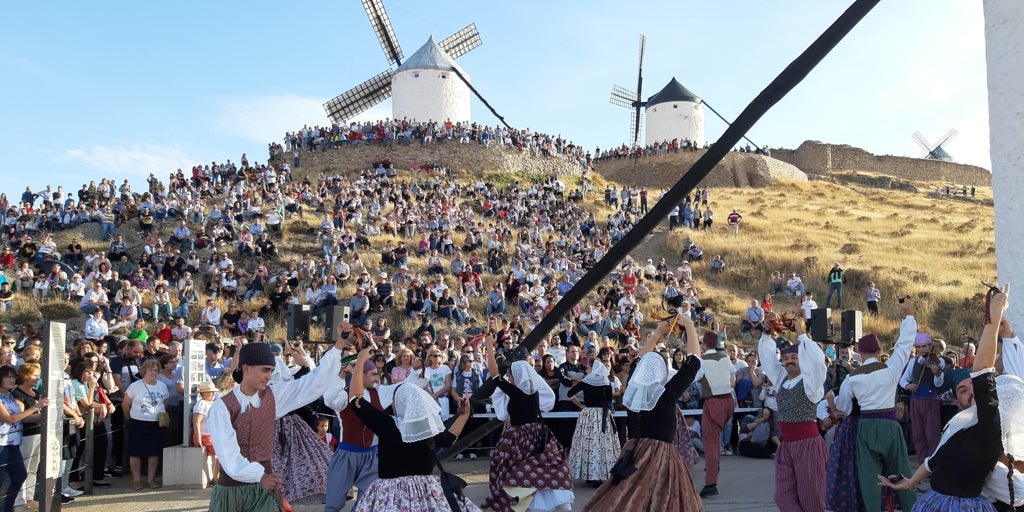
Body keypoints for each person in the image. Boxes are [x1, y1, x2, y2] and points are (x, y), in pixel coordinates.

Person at [879, 285, 1007, 511]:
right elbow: (931, 462)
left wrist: (994, 318)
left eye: (974, 387)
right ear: (957, 402)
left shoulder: (989, 426)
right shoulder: (955, 427)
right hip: (933, 501)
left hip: (965, 506)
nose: (971, 392)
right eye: (963, 390)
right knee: (921, 437)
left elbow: (983, 368)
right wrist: (909, 482)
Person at [206, 329, 348, 512]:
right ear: (246, 368)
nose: (269, 376)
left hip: (264, 492)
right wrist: (260, 476)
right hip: (231, 494)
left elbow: (311, 384)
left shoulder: (272, 397)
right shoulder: (222, 407)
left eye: (272, 370)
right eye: (265, 370)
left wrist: (338, 346)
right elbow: (228, 455)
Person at [585, 312, 703, 512]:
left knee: (626, 498)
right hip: (660, 458)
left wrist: (657, 334)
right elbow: (694, 364)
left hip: (634, 451)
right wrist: (689, 325)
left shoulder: (633, 392)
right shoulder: (665, 395)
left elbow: (637, 365)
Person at [346, 344, 482, 512]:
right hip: (427, 492)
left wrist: (360, 361)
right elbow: (450, 438)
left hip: (390, 495)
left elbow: (355, 400)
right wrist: (464, 415)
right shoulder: (428, 429)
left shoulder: (388, 425)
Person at [835, 297, 918, 512]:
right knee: (902, 472)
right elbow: (904, 343)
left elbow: (843, 406)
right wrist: (909, 314)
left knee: (870, 478)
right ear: (880, 351)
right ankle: (912, 508)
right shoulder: (890, 368)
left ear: (860, 354)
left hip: (866, 426)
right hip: (890, 425)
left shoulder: (852, 378)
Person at [476, 340, 574, 512]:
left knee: (516, 473)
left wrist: (490, 347)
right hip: (539, 435)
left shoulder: (515, 391)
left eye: (510, 374)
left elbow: (493, 374)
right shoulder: (535, 392)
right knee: (544, 471)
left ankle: (525, 505)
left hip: (518, 438)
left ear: (517, 376)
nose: (509, 377)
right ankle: (552, 503)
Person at [757, 316, 827, 511]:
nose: (789, 361)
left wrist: (803, 335)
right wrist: (766, 333)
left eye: (793, 358)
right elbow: (768, 359)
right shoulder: (781, 380)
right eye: (786, 358)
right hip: (786, 446)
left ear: (802, 360)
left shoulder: (810, 382)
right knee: (783, 496)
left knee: (811, 498)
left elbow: (818, 363)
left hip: (808, 446)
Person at [322, 343, 400, 512]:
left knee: (369, 498)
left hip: (372, 456)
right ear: (361, 375)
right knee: (333, 504)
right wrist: (342, 374)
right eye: (372, 374)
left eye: (377, 374)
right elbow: (328, 399)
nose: (376, 378)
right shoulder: (344, 394)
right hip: (346, 456)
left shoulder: (380, 392)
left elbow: (403, 387)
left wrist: (417, 370)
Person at [0, 364, 47, 512]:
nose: (11, 379)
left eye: (13, 376)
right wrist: (35, 407)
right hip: (1, 443)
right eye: (7, 376)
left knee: (20, 475)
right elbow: (11, 419)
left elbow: (20, 416)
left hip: (13, 442)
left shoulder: (10, 395)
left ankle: (7, 508)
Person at [567, 359, 620, 486]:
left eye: (588, 368)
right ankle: (599, 474)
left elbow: (569, 394)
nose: (586, 370)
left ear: (593, 368)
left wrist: (581, 405)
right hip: (603, 415)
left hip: (589, 415)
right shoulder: (606, 384)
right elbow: (608, 400)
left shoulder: (585, 383)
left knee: (587, 445)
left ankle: (589, 474)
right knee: (602, 445)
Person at [699, 327, 736, 498]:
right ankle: (714, 465)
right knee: (715, 440)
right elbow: (733, 377)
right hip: (729, 400)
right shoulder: (726, 357)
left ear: (705, 345)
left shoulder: (702, 361)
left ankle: (711, 483)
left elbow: (692, 378)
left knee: (711, 444)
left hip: (714, 402)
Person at [900, 332, 946, 465]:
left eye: (924, 346)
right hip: (915, 400)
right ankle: (922, 463)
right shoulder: (912, 362)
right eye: (918, 347)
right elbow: (902, 380)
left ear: (930, 345)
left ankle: (931, 464)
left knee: (932, 433)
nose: (921, 350)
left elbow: (939, 384)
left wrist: (937, 374)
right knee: (918, 434)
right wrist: (908, 385)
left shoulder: (939, 361)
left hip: (931, 400)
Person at [123, 359, 168, 490]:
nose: (153, 373)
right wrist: (128, 418)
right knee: (135, 452)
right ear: (144, 371)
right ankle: (136, 480)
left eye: (155, 370)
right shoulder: (135, 386)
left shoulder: (162, 385)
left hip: (155, 424)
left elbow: (165, 402)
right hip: (138, 423)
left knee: (153, 452)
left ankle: (151, 479)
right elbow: (125, 404)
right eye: (150, 370)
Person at [192, 380, 219, 486]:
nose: (212, 394)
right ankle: (215, 479)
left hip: (212, 435)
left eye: (213, 392)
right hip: (205, 435)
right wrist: (198, 437)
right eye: (209, 392)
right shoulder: (202, 404)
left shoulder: (213, 402)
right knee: (219, 455)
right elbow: (196, 421)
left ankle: (215, 477)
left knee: (218, 456)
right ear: (203, 393)